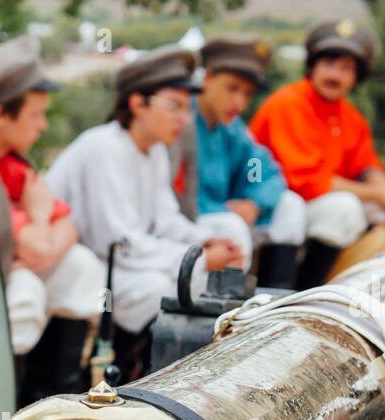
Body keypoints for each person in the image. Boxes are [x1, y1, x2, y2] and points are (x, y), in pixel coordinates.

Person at [46, 45, 243, 367]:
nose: (184, 118)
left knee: (220, 243)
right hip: (82, 266)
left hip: (115, 263)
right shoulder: (104, 148)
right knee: (158, 286)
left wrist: (204, 243)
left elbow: (165, 220)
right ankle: (121, 371)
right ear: (137, 102)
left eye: (187, 108)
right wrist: (199, 259)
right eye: (174, 106)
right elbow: (118, 245)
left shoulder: (153, 151)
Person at [0, 35, 107, 378]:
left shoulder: (11, 163)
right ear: (1, 114)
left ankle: (53, 392)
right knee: (27, 291)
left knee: (82, 265)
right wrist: (40, 218)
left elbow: (67, 228)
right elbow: (39, 249)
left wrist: (39, 228)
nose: (43, 125)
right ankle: (3, 393)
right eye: (35, 115)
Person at [250, 19, 385, 287]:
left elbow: (366, 165)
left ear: (356, 77)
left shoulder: (349, 115)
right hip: (276, 204)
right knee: (343, 209)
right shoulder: (289, 102)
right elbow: (308, 180)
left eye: (346, 68)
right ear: (313, 66)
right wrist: (378, 194)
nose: (335, 75)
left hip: (312, 205)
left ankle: (359, 287)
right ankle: (304, 292)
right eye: (328, 64)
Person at [178, 34, 307, 288]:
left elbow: (265, 172)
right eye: (232, 88)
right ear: (208, 77)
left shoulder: (232, 129)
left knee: (291, 207)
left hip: (223, 217)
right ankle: (221, 315)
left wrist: (254, 203)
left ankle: (273, 301)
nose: (239, 102)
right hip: (185, 224)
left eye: (247, 94)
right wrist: (228, 211)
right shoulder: (181, 120)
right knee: (232, 226)